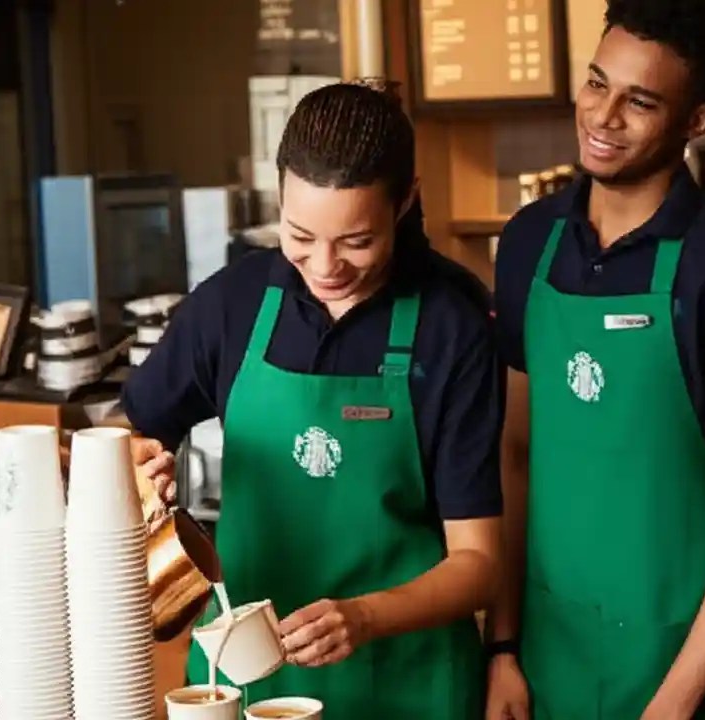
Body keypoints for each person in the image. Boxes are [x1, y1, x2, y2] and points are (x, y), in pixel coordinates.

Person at [121, 81, 502, 718]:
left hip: (409, 682)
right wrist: (139, 473)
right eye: (300, 235)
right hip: (244, 679)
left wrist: (365, 617)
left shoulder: (449, 325)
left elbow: (478, 562)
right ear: (280, 196)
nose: (325, 266)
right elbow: (135, 436)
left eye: (357, 241)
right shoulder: (233, 303)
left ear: (405, 201)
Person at [484, 1, 705, 718]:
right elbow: (514, 453)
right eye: (597, 84)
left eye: (640, 101)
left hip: (687, 666)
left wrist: (676, 702)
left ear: (697, 121)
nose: (603, 116)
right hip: (546, 660)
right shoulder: (529, 241)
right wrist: (503, 648)